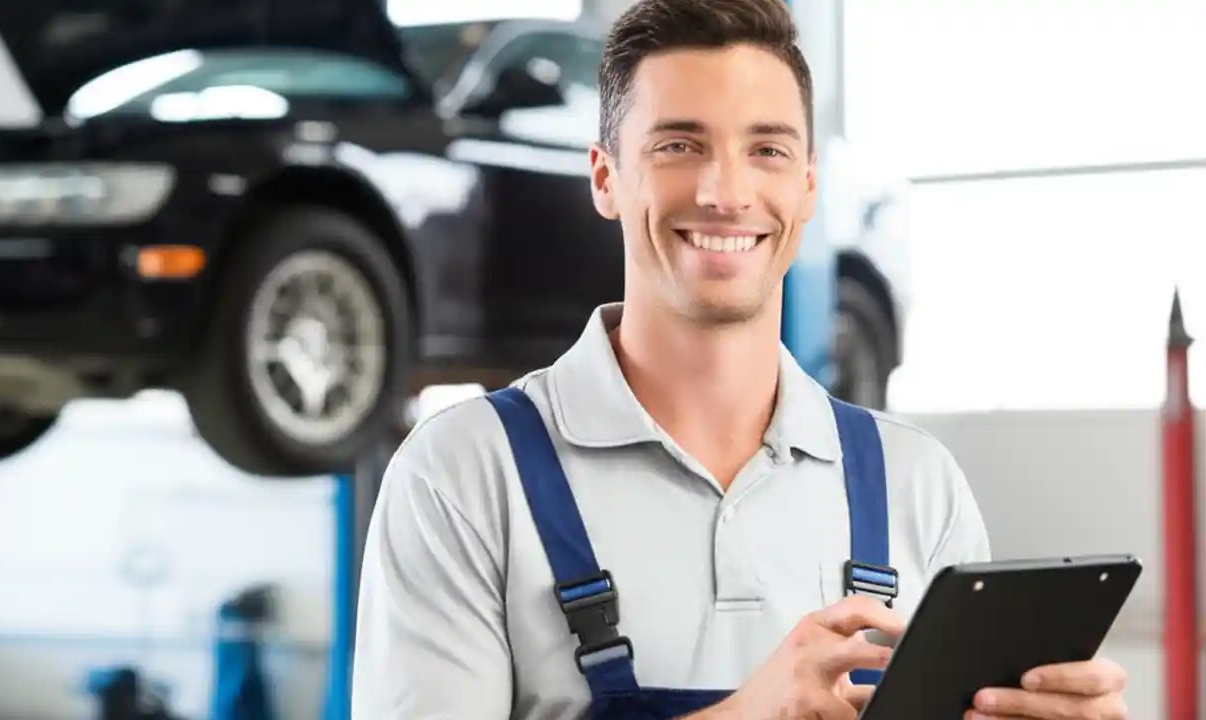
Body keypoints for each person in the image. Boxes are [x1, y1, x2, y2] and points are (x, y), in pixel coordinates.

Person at [350, 0, 1131, 717]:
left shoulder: (917, 488)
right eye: (679, 144)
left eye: (767, 149)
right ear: (605, 178)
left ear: (807, 185)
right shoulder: (462, 478)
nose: (727, 191)